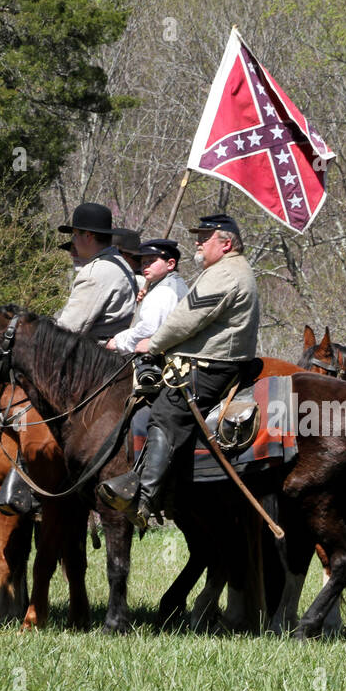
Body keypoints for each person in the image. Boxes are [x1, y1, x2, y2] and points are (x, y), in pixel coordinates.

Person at [100, 214, 260, 528]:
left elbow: (188, 319)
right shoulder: (227, 270)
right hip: (215, 358)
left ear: (225, 243)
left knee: (167, 412)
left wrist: (154, 343)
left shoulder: (225, 273)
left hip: (210, 364)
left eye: (204, 237)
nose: (198, 243)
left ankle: (144, 498)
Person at [53, 202, 139, 344]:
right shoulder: (119, 261)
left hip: (98, 358)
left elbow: (68, 330)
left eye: (74, 235)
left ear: (88, 236)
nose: (73, 241)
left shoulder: (95, 273)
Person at [107, 239, 189, 353]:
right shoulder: (171, 284)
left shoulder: (164, 290)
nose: (146, 266)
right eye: (143, 262)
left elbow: (148, 329)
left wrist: (118, 342)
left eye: (151, 261)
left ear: (170, 264)